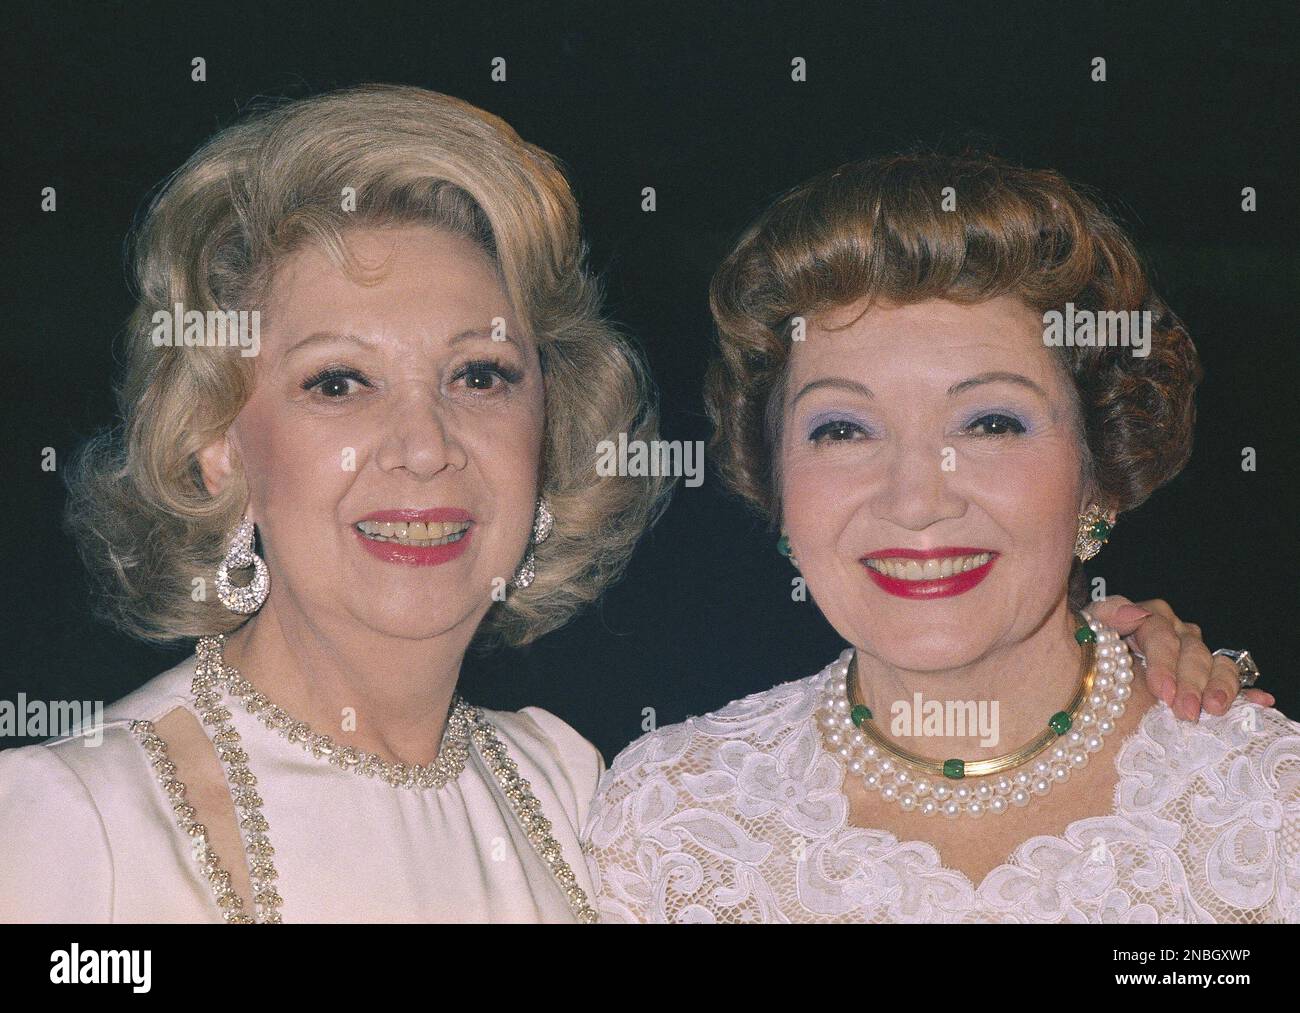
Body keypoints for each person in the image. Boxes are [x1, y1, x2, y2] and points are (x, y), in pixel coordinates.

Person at [0, 84, 670, 922]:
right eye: (340, 382)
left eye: (479, 375)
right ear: (217, 444)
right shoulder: (75, 822)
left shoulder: (569, 787)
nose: (425, 447)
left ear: (550, 426)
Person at [583, 151, 1297, 923]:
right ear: (778, 487)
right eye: (845, 429)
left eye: (990, 422)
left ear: (1100, 471)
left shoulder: (1269, 809)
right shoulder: (665, 825)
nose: (916, 500)